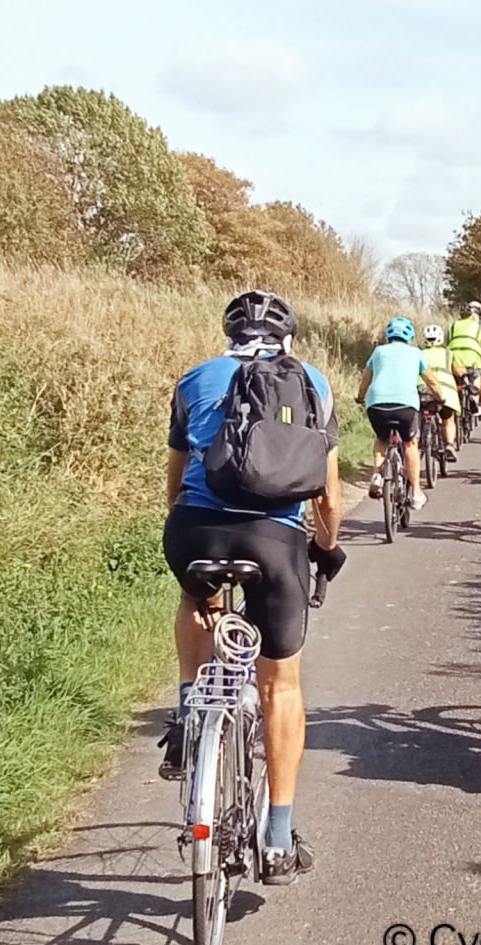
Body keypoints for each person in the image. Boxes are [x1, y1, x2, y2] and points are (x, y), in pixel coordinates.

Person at [162, 290, 346, 884]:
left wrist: (190, 529)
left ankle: (192, 709)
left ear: (229, 335)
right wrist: (322, 546)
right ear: (287, 337)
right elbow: (331, 498)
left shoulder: (195, 378)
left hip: (196, 532)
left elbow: (174, 482)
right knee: (281, 682)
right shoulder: (312, 380)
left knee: (197, 600)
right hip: (275, 542)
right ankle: (276, 838)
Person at [357, 317, 445, 511]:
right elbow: (431, 381)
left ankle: (378, 475)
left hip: (377, 404)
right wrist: (442, 397)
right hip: (406, 405)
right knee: (410, 443)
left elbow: (365, 379)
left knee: (381, 438)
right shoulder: (416, 353)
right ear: (411, 336)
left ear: (388, 335)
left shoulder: (378, 351)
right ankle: (415, 492)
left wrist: (360, 397)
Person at [422, 324, 462, 460]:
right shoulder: (448, 353)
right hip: (446, 392)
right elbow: (458, 371)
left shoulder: (420, 354)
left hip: (423, 391)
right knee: (448, 419)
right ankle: (449, 445)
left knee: (422, 416)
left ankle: (422, 443)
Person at [447, 301, 481, 416]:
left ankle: (456, 400)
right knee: (476, 375)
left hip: (455, 359)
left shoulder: (452, 326)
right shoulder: (479, 328)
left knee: (455, 379)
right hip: (473, 358)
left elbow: (447, 344)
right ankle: (474, 398)